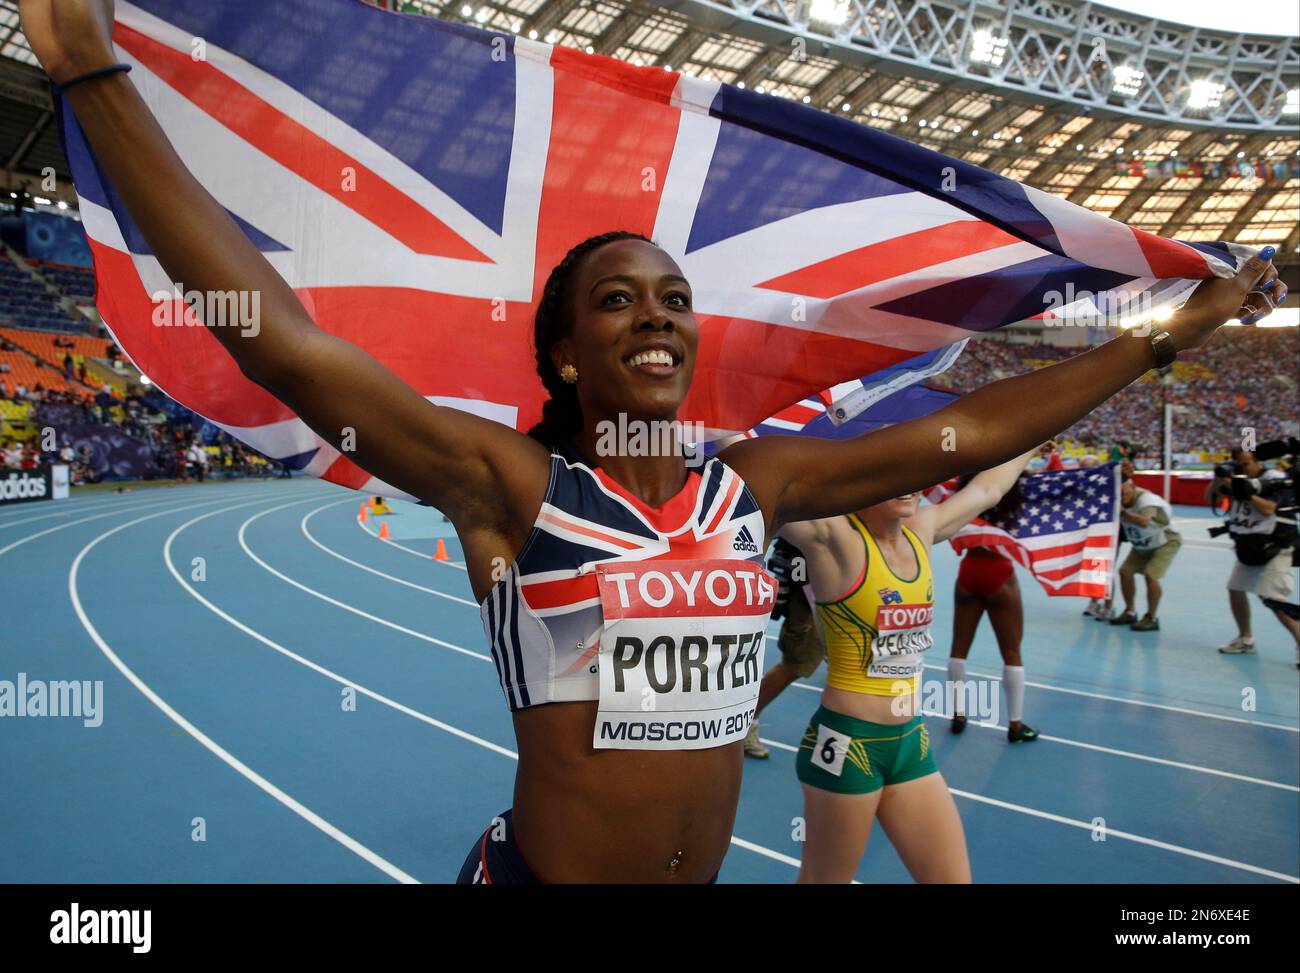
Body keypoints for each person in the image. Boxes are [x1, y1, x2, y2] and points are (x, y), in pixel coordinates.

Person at [31, 0, 1283, 884]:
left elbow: (971, 425)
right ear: (566, 350)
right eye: (619, 299)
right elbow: (284, 345)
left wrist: (1165, 337)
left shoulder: (758, 484)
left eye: (675, 300)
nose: (658, 318)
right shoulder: (508, 486)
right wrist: (91, 70)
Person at [782, 449, 1033, 884]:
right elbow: (764, 489)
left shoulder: (922, 529)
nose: (908, 483)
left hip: (910, 742)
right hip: (849, 745)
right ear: (862, 484)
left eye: (913, 472)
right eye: (891, 471)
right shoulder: (835, 541)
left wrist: (1040, 433)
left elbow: (989, 488)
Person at [946, 459, 1040, 743]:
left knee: (958, 648)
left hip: (969, 571)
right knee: (1011, 652)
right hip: (999, 572)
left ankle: (958, 714)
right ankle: (1015, 724)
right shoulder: (1014, 487)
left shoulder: (963, 491)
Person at [1207, 448, 1299, 658]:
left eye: (1247, 464)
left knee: (1273, 598)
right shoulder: (1236, 478)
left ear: (1259, 462)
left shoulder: (1273, 480)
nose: (1243, 468)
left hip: (1276, 545)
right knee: (1235, 589)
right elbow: (1208, 499)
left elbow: (1268, 509)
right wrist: (1218, 480)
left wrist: (1242, 491)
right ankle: (1245, 639)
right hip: (1249, 546)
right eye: (1239, 464)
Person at [1110, 475, 1181, 631]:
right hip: (1143, 543)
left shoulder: (1147, 499)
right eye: (1119, 495)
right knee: (1125, 572)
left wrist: (1122, 512)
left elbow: (1144, 521)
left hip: (1165, 541)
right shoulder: (1115, 499)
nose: (1123, 498)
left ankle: (1151, 617)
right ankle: (1130, 611)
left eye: (1125, 494)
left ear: (1133, 488)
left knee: (1151, 575)